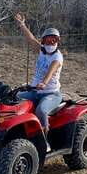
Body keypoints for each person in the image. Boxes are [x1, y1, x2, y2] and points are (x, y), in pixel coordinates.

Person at [14, 12, 64, 151]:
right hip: (35, 91)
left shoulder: (57, 57)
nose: (51, 43)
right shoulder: (41, 51)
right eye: (48, 40)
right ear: (43, 41)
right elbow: (30, 39)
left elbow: (51, 71)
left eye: (53, 40)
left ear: (57, 41)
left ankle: (44, 142)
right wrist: (22, 24)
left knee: (41, 110)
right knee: (14, 99)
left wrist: (44, 83)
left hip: (51, 93)